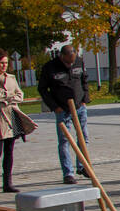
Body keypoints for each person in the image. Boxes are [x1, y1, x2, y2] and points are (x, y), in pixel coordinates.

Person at [0, 49, 33, 196]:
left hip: (11, 116)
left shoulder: (11, 78)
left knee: (9, 151)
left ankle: (7, 183)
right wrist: (9, 95)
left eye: (6, 63)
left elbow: (20, 95)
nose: (4, 66)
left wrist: (6, 97)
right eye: (1, 63)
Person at [38, 44, 90, 184]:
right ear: (61, 56)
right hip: (62, 108)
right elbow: (42, 89)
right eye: (68, 61)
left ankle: (82, 166)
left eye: (72, 61)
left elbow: (84, 80)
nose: (71, 64)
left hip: (79, 106)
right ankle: (68, 173)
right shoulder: (50, 67)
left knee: (83, 137)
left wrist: (85, 99)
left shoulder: (79, 62)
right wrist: (54, 107)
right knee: (64, 140)